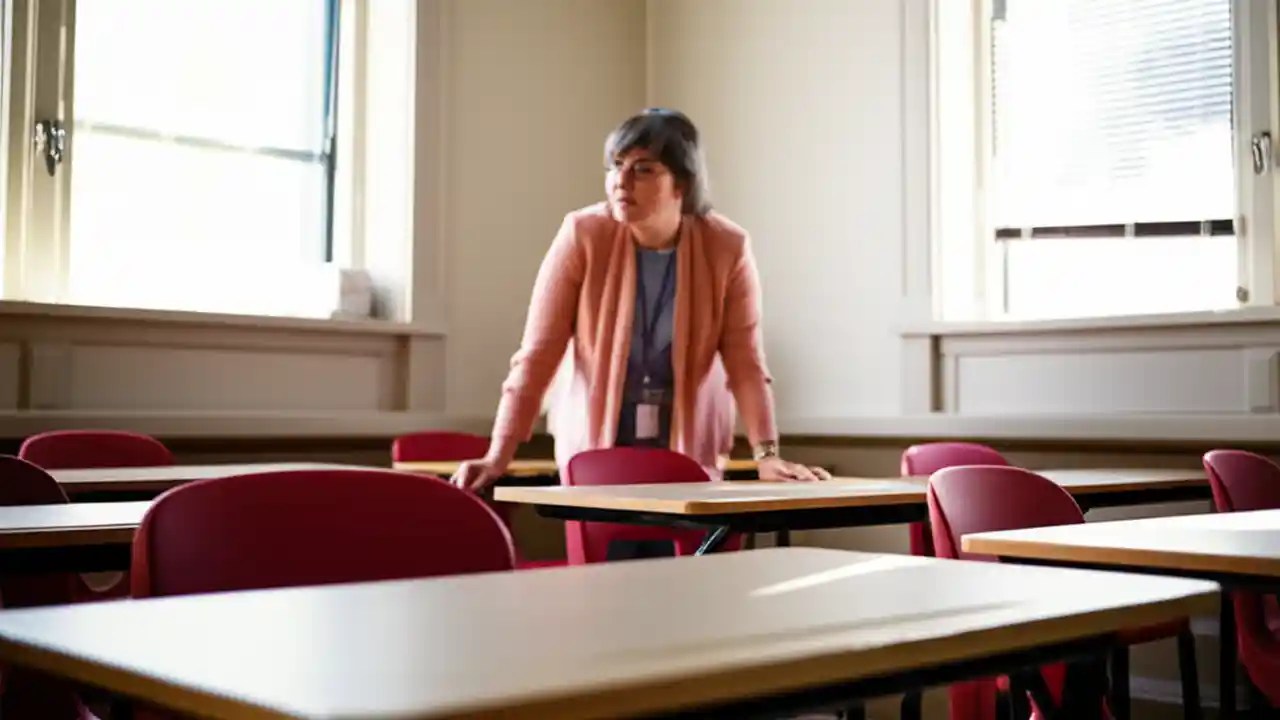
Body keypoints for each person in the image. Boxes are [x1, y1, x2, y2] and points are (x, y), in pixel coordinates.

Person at [451, 108, 828, 492]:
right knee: (605, 552)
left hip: (688, 452)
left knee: (684, 552)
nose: (621, 181)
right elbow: (538, 354)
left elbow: (745, 362)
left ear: (682, 183)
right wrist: (498, 454)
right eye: (616, 166)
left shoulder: (727, 246)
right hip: (595, 449)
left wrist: (767, 456)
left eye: (643, 169)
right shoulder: (583, 234)